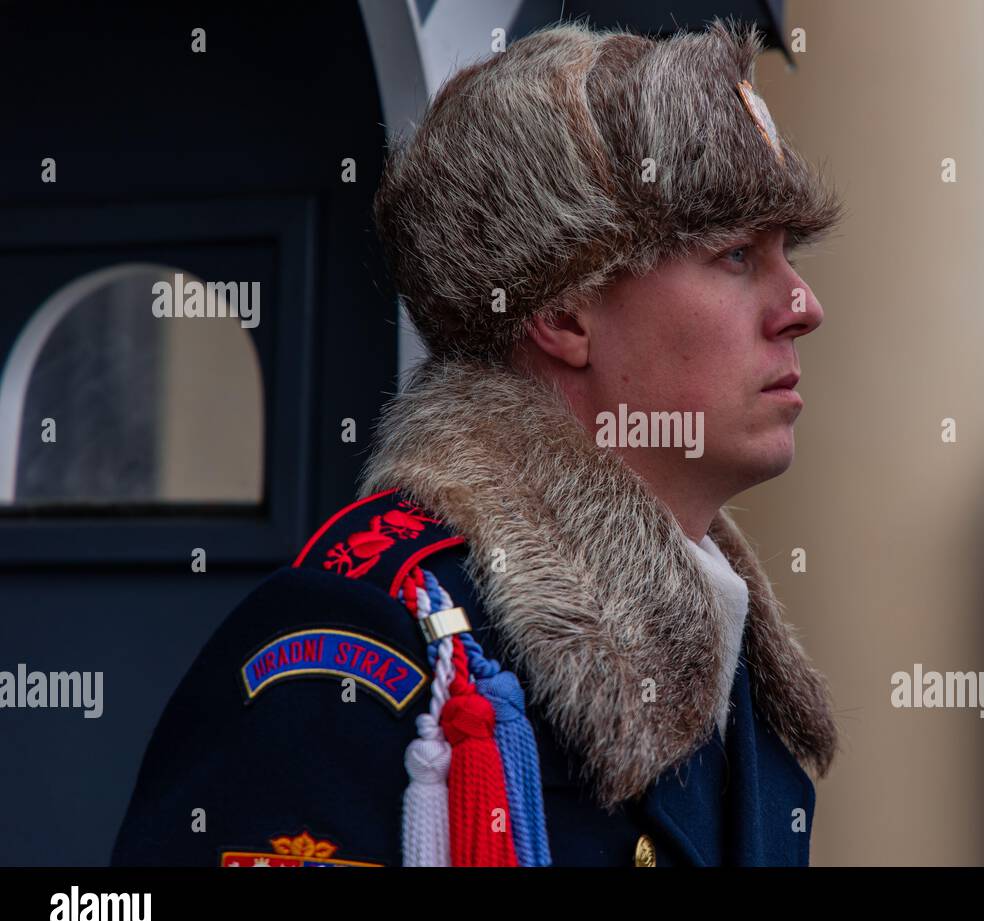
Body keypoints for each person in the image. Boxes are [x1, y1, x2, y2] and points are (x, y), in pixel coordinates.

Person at [112, 16, 843, 868]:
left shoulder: (731, 661)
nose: (803, 306)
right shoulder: (370, 638)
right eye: (736, 255)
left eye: (787, 253)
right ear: (562, 312)